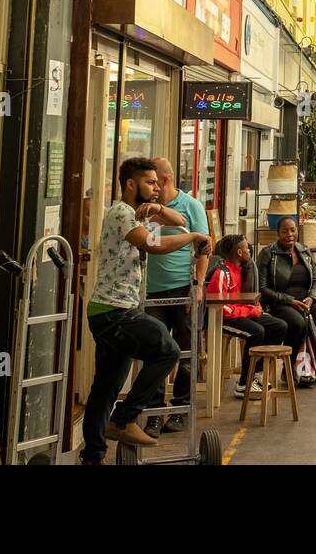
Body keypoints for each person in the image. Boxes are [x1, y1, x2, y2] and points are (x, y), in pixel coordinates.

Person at [80, 157, 211, 465]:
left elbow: (178, 220)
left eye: (157, 182)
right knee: (168, 351)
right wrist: (194, 237)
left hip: (110, 310)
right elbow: (153, 244)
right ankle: (125, 419)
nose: (156, 188)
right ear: (130, 184)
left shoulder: (139, 215)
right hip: (116, 312)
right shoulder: (122, 213)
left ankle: (93, 456)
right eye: (150, 183)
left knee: (106, 387)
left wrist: (159, 209)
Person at [142, 156, 210, 437]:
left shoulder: (190, 206)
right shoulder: (147, 209)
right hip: (151, 291)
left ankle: (182, 408)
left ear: (165, 180)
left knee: (185, 352)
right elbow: (147, 242)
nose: (152, 187)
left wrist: (199, 285)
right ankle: (154, 412)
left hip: (183, 289)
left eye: (154, 181)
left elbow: (205, 247)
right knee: (154, 352)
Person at [205, 235, 288, 398]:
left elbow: (243, 299)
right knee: (257, 332)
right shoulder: (221, 273)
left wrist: (255, 307)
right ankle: (243, 384)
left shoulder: (243, 269)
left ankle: (256, 374)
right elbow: (220, 307)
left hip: (240, 313)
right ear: (239, 252)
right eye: (246, 248)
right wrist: (249, 311)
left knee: (279, 326)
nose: (249, 251)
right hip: (224, 318)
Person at [257, 217, 316, 380]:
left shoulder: (304, 251)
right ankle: (289, 369)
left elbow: (315, 279)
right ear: (278, 233)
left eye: (293, 230)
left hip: (305, 301)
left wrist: (311, 298)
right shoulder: (268, 253)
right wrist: (290, 300)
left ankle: (311, 368)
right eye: (284, 231)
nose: (289, 234)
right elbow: (262, 289)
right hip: (280, 303)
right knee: (298, 323)